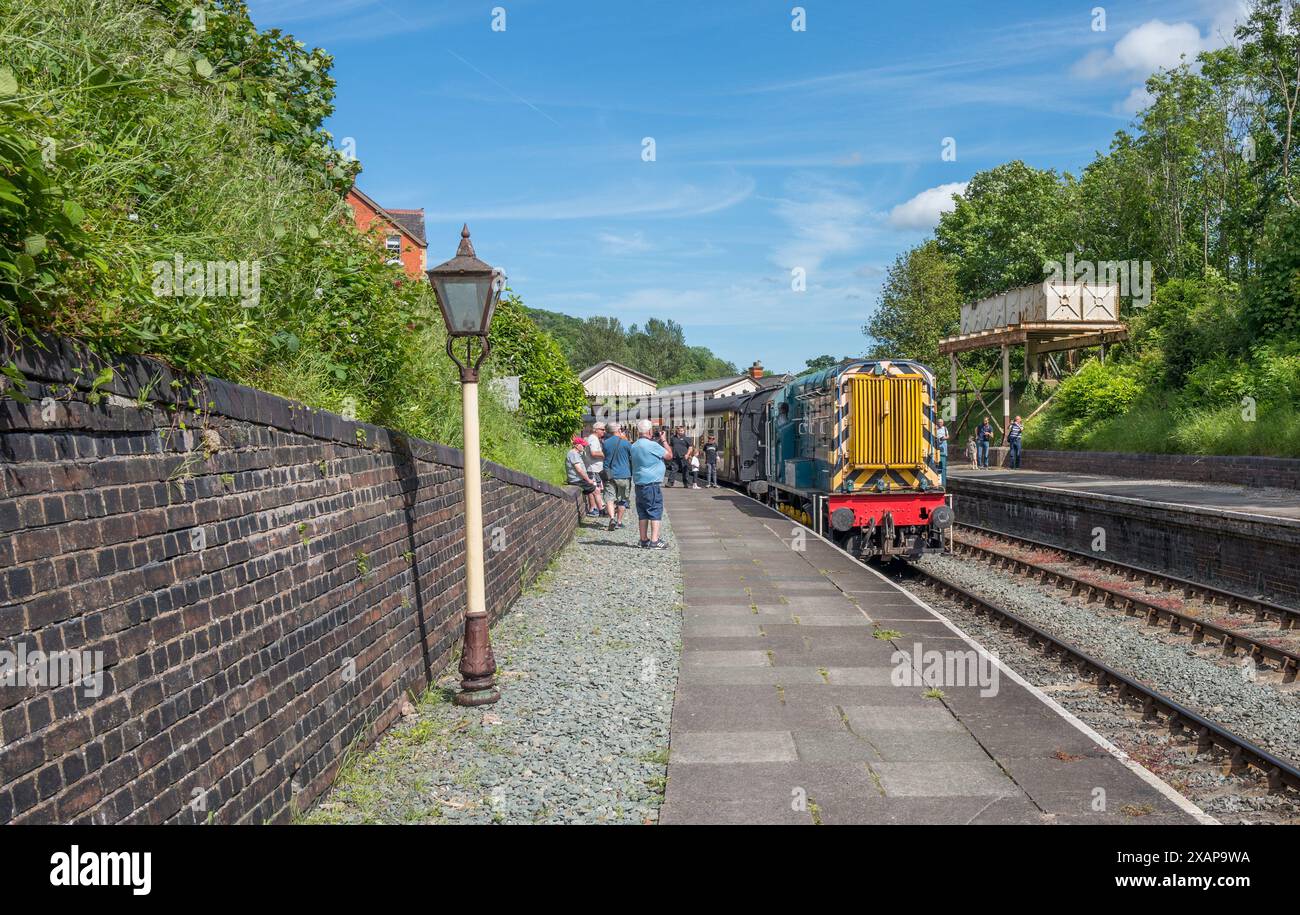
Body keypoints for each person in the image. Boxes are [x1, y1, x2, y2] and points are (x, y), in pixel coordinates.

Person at [630, 419, 669, 549]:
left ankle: (643, 540)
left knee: (642, 512)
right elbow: (669, 455)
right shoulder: (652, 445)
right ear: (649, 431)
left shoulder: (634, 445)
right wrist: (663, 440)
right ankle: (654, 541)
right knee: (655, 511)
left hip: (639, 484)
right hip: (651, 484)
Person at [601, 422, 633, 531]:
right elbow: (631, 456)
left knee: (609, 498)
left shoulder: (605, 443)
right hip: (624, 474)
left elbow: (605, 456)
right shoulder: (626, 443)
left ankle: (611, 518)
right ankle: (619, 522)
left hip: (609, 474)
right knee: (623, 499)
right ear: (618, 430)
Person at [566, 434, 599, 505]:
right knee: (596, 490)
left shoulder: (577, 453)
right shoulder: (573, 454)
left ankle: (595, 509)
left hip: (579, 479)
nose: (584, 447)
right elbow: (579, 470)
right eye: (583, 445)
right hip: (577, 480)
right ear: (577, 445)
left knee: (594, 490)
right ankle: (601, 510)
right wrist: (588, 480)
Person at [584, 421, 607, 516]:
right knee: (593, 488)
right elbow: (593, 453)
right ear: (596, 430)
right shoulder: (593, 439)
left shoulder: (595, 438)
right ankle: (593, 508)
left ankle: (594, 508)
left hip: (594, 467)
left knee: (595, 488)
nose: (604, 431)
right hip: (593, 468)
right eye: (602, 429)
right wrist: (605, 454)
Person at [936, 419, 949, 487]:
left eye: (941, 422)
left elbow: (948, 437)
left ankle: (943, 466)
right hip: (937, 443)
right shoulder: (935, 428)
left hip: (943, 443)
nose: (940, 423)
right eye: (939, 422)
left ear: (943, 423)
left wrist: (944, 438)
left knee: (943, 456)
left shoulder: (945, 428)